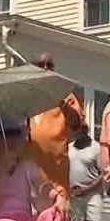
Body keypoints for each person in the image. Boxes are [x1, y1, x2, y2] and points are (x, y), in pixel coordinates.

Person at [27, 53, 84, 198]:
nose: (46, 68)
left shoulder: (64, 95)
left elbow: (77, 124)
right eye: (41, 65)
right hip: (29, 184)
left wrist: (62, 104)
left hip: (57, 184)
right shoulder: (24, 97)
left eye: (49, 65)